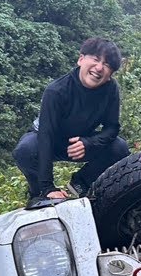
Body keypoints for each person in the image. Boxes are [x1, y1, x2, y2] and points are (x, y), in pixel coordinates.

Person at [13, 38, 130, 200]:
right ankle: (39, 192)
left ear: (111, 74)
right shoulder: (56, 91)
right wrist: (47, 186)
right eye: (96, 59)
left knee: (120, 148)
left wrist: (90, 142)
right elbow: (46, 135)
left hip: (79, 143)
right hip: (48, 140)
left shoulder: (111, 90)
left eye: (107, 65)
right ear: (81, 59)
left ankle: (80, 184)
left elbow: (112, 127)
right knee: (25, 150)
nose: (99, 68)